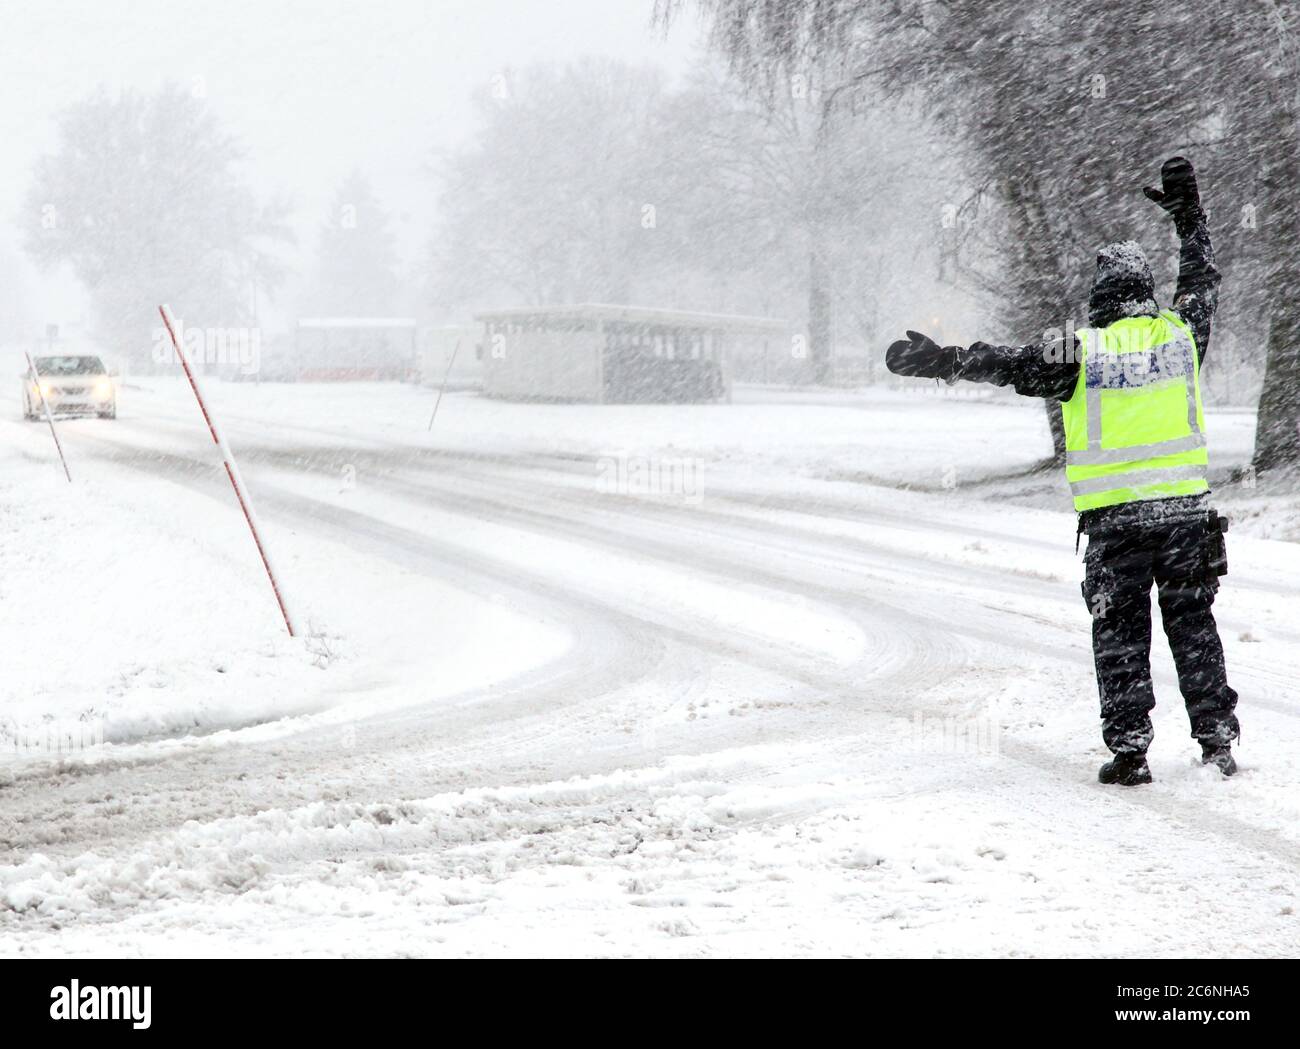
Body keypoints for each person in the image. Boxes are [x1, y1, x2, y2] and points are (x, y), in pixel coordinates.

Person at [885, 157, 1239, 786]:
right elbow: (1203, 280)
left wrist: (945, 359)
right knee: (1194, 624)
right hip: (1184, 516)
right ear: (1147, 294)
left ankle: (1131, 752)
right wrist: (1191, 220)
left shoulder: (1079, 351)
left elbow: (1007, 362)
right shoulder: (1183, 336)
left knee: (1120, 633)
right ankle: (1216, 742)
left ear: (1101, 301)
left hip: (1115, 527)